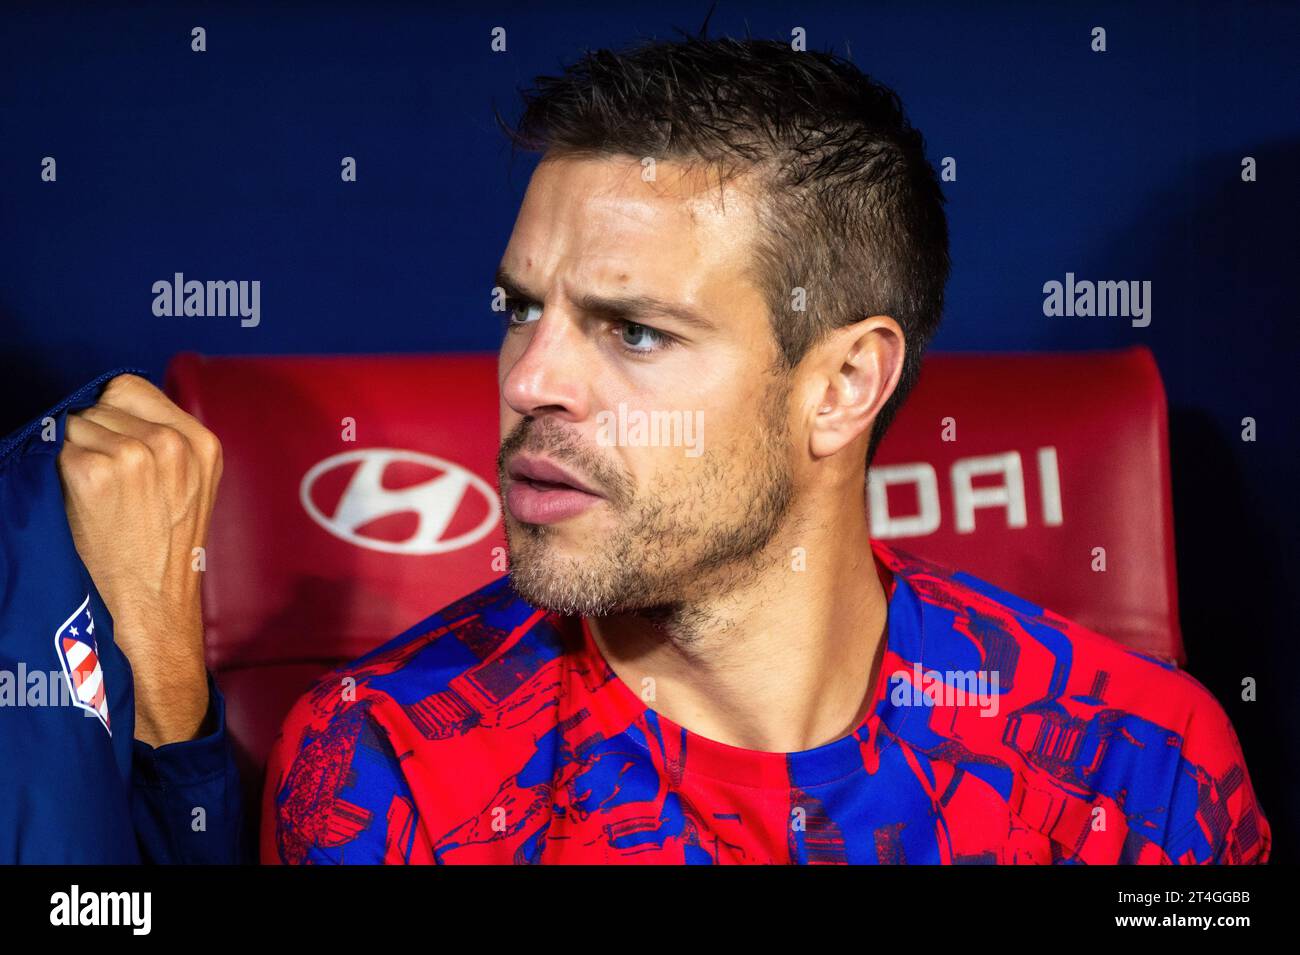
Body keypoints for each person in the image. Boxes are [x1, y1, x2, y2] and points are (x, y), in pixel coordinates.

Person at [262, 36, 1270, 864]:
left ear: (842, 386)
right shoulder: (384, 763)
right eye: (522, 308)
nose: (529, 380)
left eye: (634, 330)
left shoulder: (1136, 769)